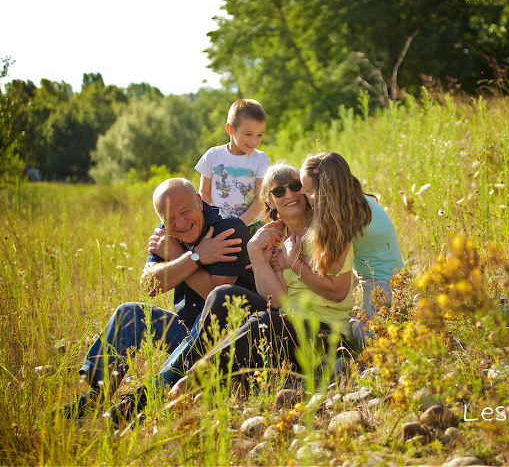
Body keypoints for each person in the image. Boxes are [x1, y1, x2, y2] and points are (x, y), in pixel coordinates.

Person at [155, 161, 368, 404]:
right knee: (223, 294)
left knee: (265, 322)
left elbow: (339, 293)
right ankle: (172, 381)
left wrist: (294, 262)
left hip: (328, 336)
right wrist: (256, 254)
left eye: (295, 186)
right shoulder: (277, 237)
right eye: (279, 191)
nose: (288, 194)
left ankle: (192, 379)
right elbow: (276, 299)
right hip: (290, 332)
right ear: (269, 200)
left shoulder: (327, 226)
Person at [58, 177, 252, 419]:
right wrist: (196, 257)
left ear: (199, 201)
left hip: (228, 340)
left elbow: (214, 294)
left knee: (203, 321)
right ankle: (97, 395)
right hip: (187, 328)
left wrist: (177, 255)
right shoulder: (164, 234)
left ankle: (142, 400)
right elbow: (149, 284)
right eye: (169, 219)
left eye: (185, 212)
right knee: (129, 313)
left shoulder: (228, 229)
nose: (180, 223)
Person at [303, 152, 403, 318]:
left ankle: (347, 324)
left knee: (369, 339)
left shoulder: (348, 215)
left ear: (324, 192)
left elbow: (333, 267)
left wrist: (299, 260)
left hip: (380, 279)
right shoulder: (351, 199)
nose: (302, 193)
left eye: (308, 191)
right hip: (375, 271)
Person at [195, 99, 270, 231]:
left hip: (252, 224)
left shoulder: (260, 159)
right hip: (218, 224)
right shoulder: (213, 155)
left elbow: (260, 199)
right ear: (230, 129)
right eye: (248, 134)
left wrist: (239, 224)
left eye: (260, 135)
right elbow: (204, 192)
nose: (254, 140)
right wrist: (215, 219)